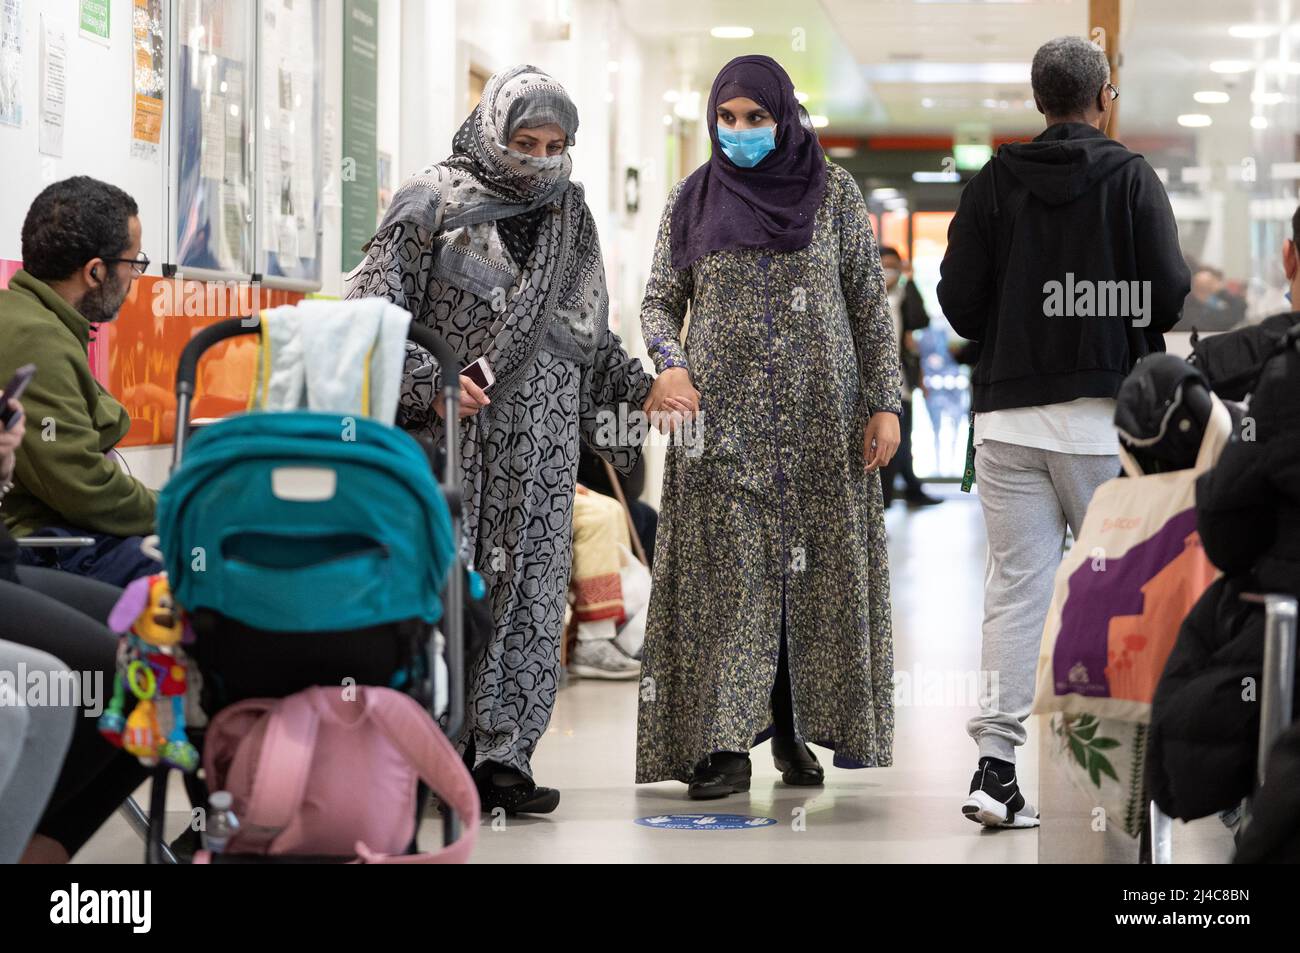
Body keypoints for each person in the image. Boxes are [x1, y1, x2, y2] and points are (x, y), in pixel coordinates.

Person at [347, 65, 652, 815]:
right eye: (525, 140)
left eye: (556, 144)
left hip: (544, 451)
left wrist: (646, 388)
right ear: (492, 132)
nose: (540, 158)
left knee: (532, 600)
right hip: (452, 441)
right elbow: (369, 317)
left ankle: (505, 754)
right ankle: (432, 749)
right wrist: (431, 377)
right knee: (450, 590)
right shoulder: (430, 202)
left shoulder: (571, 217)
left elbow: (589, 338)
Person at [938, 35, 1190, 828]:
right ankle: (1117, 777)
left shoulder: (993, 183)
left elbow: (957, 298)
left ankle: (996, 769)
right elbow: (1170, 292)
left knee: (1014, 591)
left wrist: (1012, 329)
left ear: (1039, 100)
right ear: (1102, 96)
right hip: (1098, 419)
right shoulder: (1131, 179)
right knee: (1112, 592)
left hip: (1008, 418)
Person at [635, 54, 901, 799]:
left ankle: (793, 726)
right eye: (728, 117)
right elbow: (659, 299)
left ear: (785, 116)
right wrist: (670, 363)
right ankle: (724, 745)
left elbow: (866, 308)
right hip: (723, 428)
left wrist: (885, 400)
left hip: (823, 422)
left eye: (757, 117)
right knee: (731, 581)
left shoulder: (834, 194)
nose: (741, 131)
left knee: (810, 579)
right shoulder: (692, 200)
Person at [0, 396, 148, 862]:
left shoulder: (54, 331)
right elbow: (83, 486)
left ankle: (40, 849)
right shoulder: (34, 329)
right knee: (101, 673)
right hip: (47, 542)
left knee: (154, 662)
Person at [0, 177, 160, 588]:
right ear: (96, 271)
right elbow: (85, 490)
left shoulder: (26, 316)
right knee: (207, 575)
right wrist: (177, 509)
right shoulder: (38, 339)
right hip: (45, 547)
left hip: (56, 537)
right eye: (133, 264)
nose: (135, 278)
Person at [878, 246, 940, 508]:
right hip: (876, 387)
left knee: (902, 442)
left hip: (901, 383)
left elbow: (920, 319)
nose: (888, 271)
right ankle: (888, 503)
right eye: (884, 265)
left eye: (895, 266)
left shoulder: (903, 296)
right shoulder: (867, 296)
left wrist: (911, 280)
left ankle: (909, 491)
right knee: (885, 449)